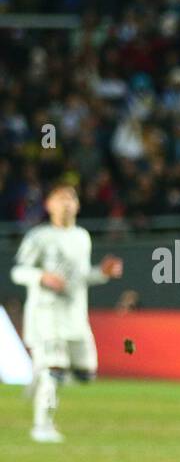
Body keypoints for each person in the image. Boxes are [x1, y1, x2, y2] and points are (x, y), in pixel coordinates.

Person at [10, 183, 123, 443]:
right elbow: (18, 272)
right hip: (46, 313)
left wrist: (102, 274)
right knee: (55, 370)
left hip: (74, 315)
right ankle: (42, 426)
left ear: (78, 206)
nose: (67, 203)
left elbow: (80, 278)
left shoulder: (82, 236)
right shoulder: (39, 237)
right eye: (60, 198)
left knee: (86, 373)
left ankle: (41, 375)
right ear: (49, 205)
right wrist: (42, 276)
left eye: (71, 198)